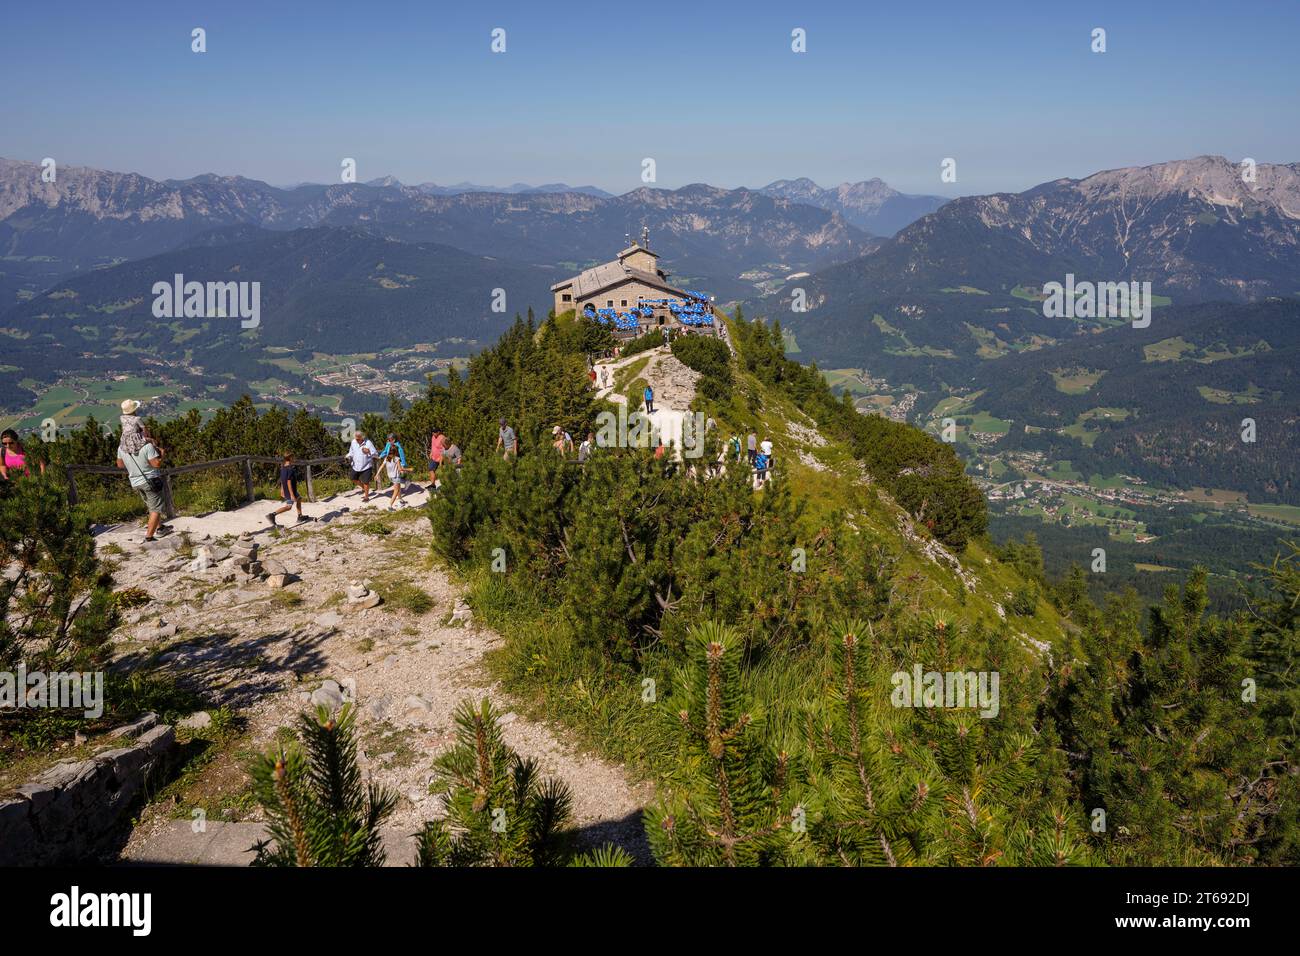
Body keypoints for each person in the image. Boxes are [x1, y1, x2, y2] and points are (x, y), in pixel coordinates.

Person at [117, 436, 166, 542]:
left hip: (135, 482)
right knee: (156, 508)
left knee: (151, 505)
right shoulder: (147, 446)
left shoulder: (122, 448)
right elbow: (156, 464)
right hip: (150, 481)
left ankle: (160, 527)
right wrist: (162, 454)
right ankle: (149, 536)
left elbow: (120, 465)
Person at [268, 451, 309, 526]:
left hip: (287, 490)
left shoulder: (283, 467)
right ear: (290, 458)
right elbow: (288, 482)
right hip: (291, 490)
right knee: (288, 507)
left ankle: (300, 516)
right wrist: (292, 494)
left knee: (299, 498)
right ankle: (272, 515)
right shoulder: (290, 469)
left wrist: (282, 490)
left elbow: (282, 479)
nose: (294, 458)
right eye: (293, 457)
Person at [348, 429, 378, 502]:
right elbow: (351, 452)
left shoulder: (368, 443)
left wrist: (369, 451)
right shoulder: (353, 442)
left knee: (366, 482)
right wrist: (348, 457)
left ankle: (366, 497)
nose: (357, 440)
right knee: (352, 478)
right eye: (356, 438)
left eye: (358, 438)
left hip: (366, 466)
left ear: (362, 437)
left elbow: (375, 454)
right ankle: (363, 488)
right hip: (355, 465)